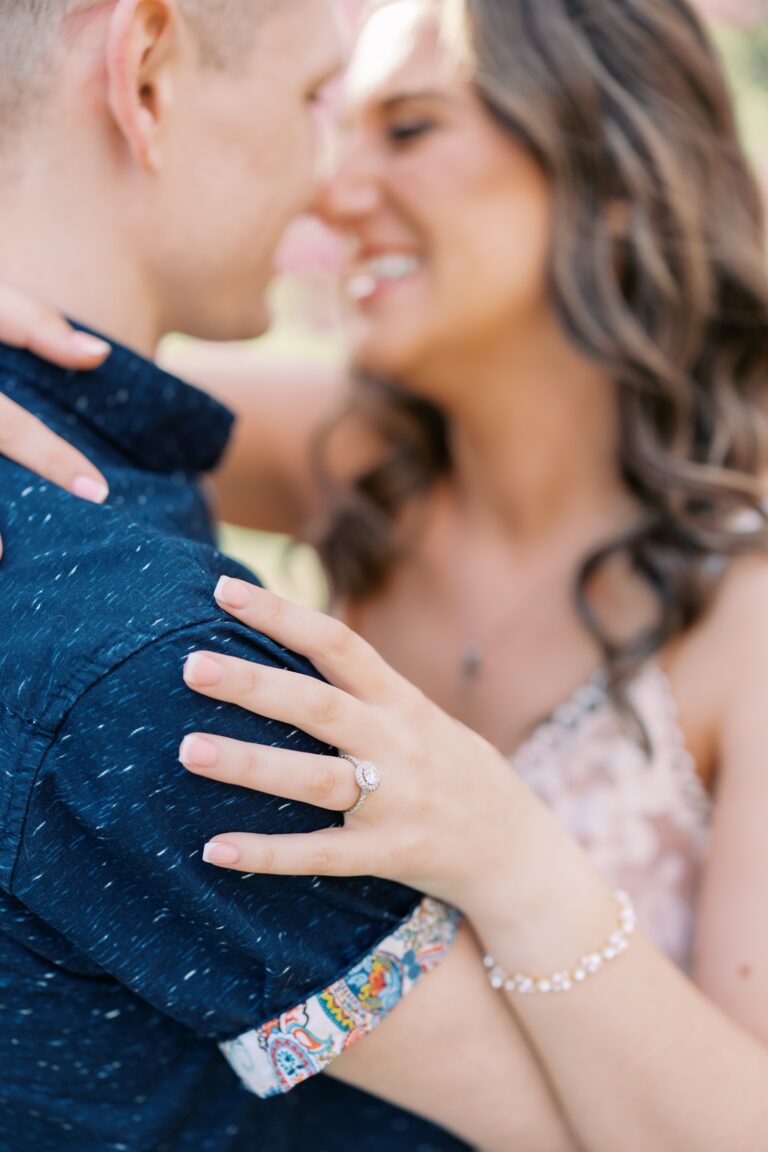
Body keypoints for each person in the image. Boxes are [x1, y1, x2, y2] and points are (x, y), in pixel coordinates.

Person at [2, 0, 768, 1147]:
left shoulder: (743, 608)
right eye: (329, 120)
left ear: (617, 177)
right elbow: (71, 408)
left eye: (406, 131)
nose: (329, 188)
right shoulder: (358, 460)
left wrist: (507, 849)